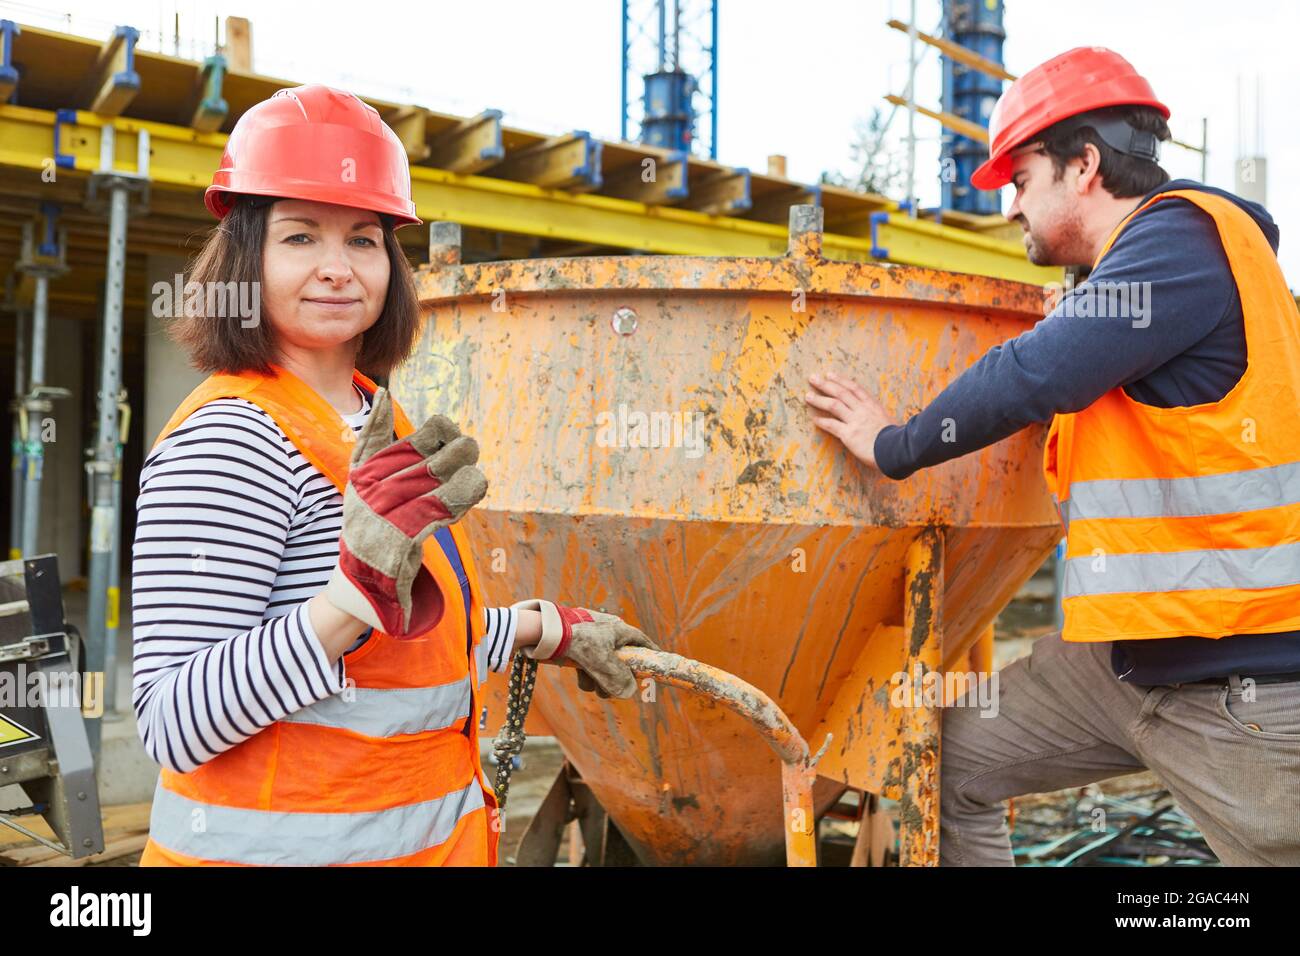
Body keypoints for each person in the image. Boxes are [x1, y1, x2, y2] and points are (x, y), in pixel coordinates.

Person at [131, 84, 656, 867]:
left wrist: (545, 627)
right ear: (246, 256)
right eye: (301, 238)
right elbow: (173, 723)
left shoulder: (379, 419)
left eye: (365, 240)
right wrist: (347, 603)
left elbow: (407, 661)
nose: (337, 269)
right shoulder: (232, 440)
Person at [805, 48, 1300, 865]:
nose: (1010, 208)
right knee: (942, 759)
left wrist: (895, 445)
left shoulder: (1183, 243)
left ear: (1085, 165)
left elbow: (1035, 370)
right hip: (1122, 666)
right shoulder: (1139, 280)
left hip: (1241, 691)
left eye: (1021, 179)